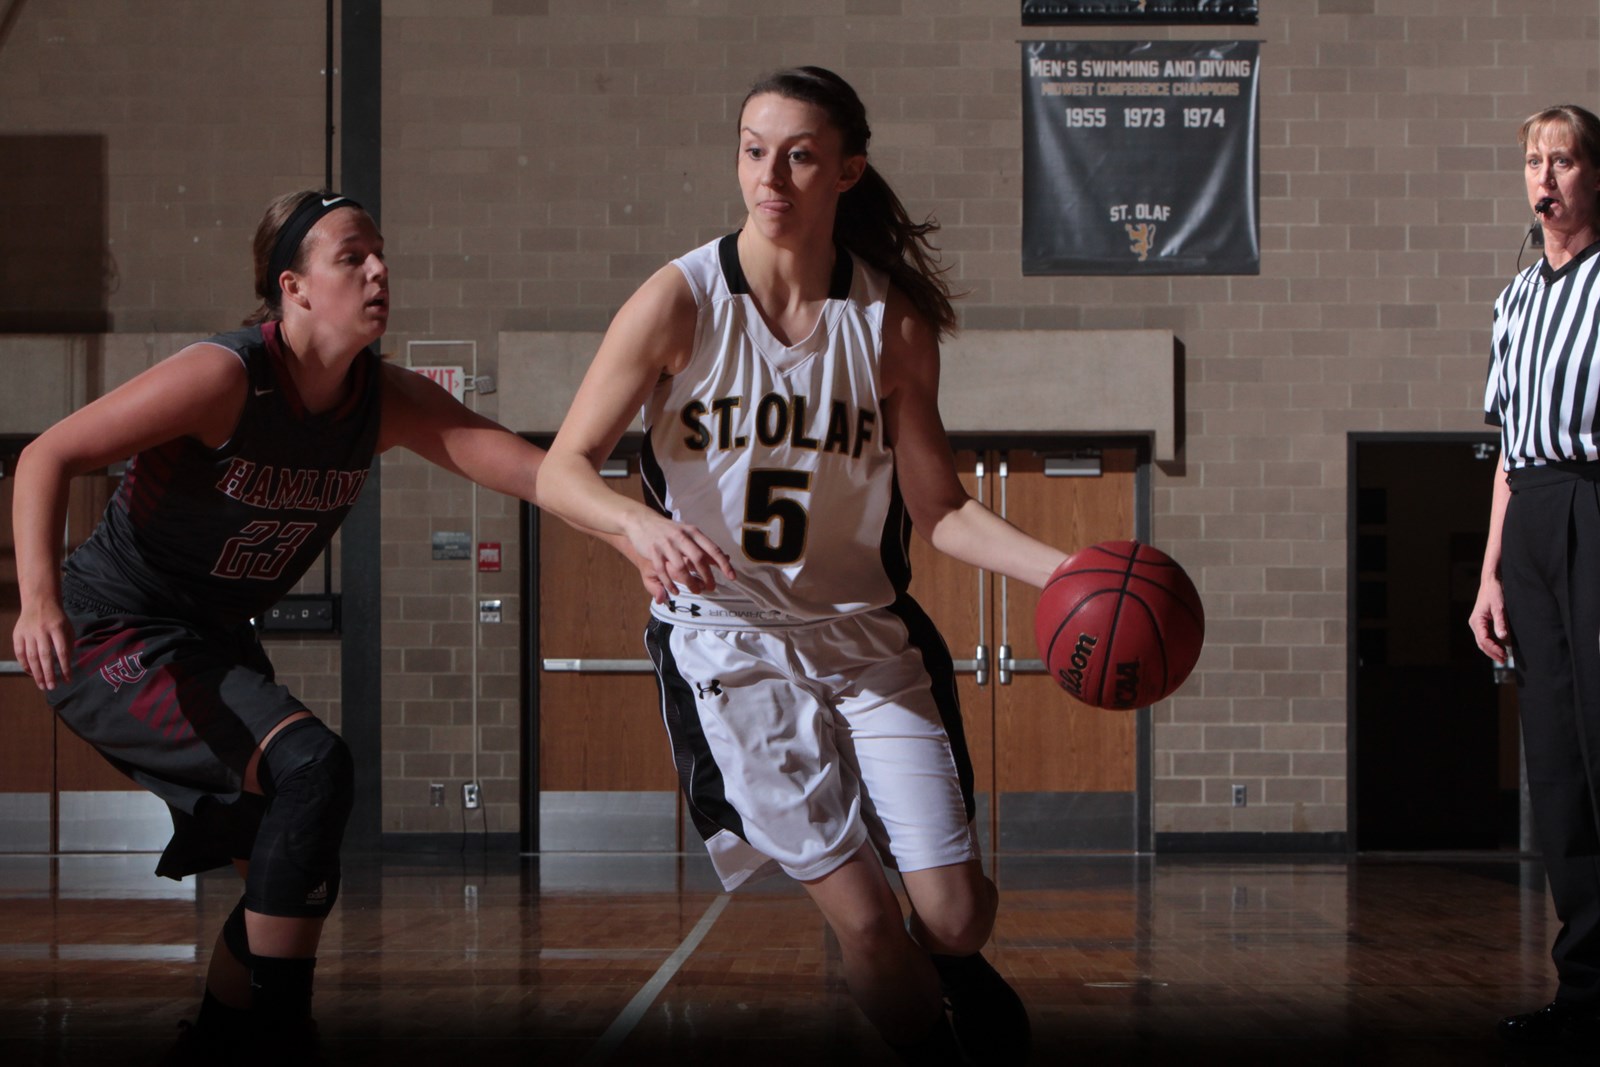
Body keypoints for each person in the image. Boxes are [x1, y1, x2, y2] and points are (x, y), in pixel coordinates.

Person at [9, 190, 645, 1063]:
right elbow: (46, 453)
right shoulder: (227, 375)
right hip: (115, 627)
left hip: (213, 635)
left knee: (294, 862)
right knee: (314, 767)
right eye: (352, 256)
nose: (379, 269)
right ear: (294, 287)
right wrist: (37, 597)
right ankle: (280, 1031)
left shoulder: (380, 402)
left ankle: (227, 1033)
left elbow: (538, 475)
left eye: (380, 253)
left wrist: (635, 529)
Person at [536, 66, 1067, 1065]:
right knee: (865, 919)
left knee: (952, 916)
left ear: (848, 171)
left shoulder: (890, 321)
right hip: (729, 643)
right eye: (751, 148)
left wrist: (1072, 571)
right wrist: (634, 527)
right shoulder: (678, 299)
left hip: (866, 636)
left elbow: (941, 509)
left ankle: (950, 964)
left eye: (799, 153)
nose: (768, 173)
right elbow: (562, 468)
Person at [1471, 104, 1600, 1051]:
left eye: (1562, 160)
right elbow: (1510, 451)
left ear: (1595, 176)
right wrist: (1489, 578)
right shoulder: (1516, 299)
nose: (1544, 177)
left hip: (1597, 505)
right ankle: (1586, 994)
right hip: (1534, 516)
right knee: (1554, 764)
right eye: (1532, 161)